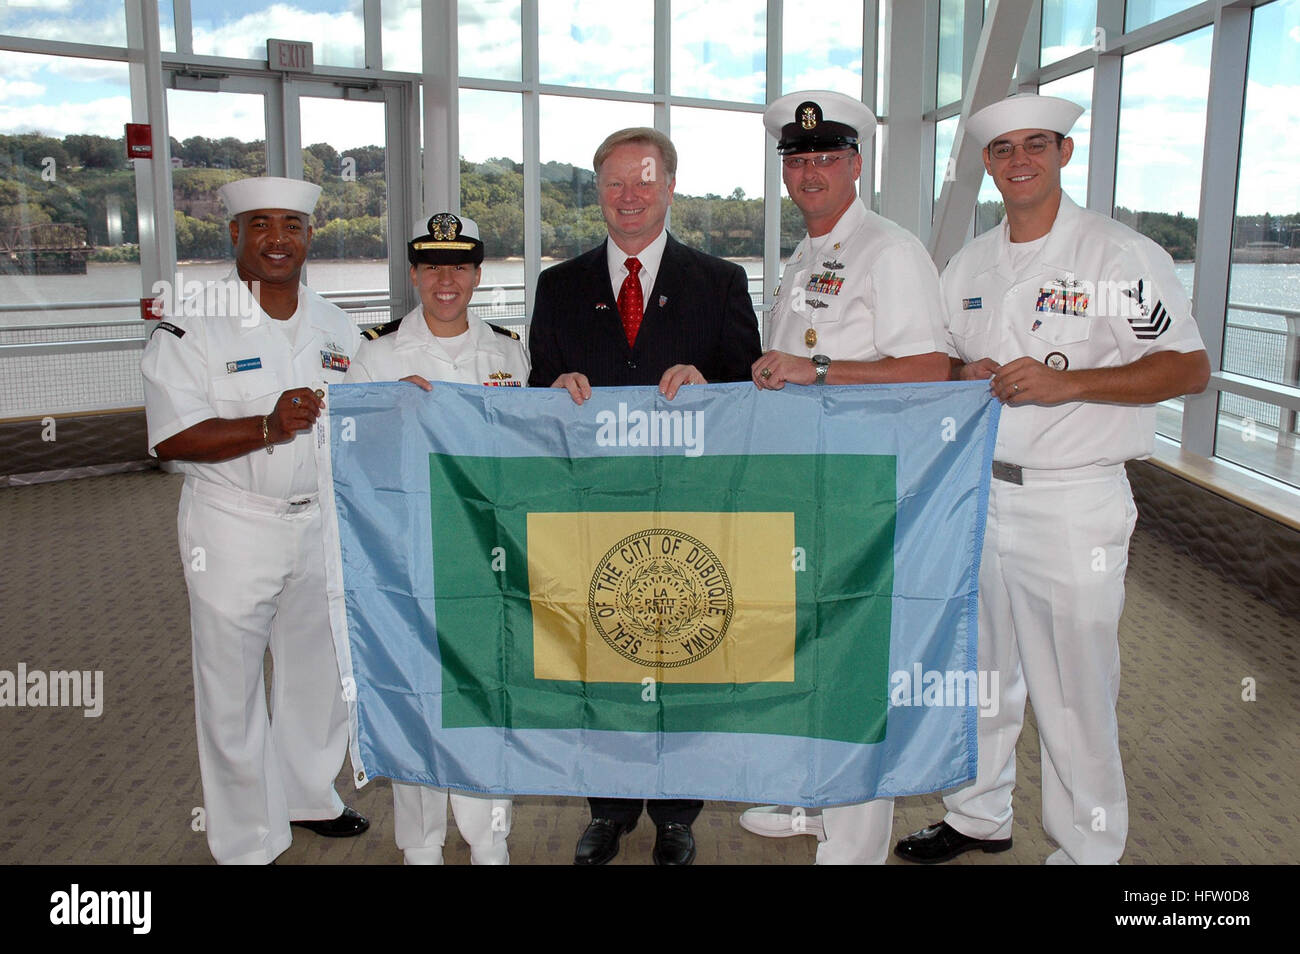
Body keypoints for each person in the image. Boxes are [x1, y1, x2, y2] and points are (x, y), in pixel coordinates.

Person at [893, 94, 1209, 865]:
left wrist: (1075, 384)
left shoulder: (1116, 256)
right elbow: (946, 364)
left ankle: (1087, 851)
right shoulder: (967, 265)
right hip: (979, 496)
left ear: (1065, 153)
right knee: (982, 671)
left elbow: (1189, 368)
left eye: (1037, 144)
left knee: (1073, 692)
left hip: (1073, 499)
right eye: (1003, 149)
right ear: (987, 164)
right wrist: (967, 370)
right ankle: (978, 815)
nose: (1020, 160)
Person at [527, 126, 761, 865]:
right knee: (601, 654)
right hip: (592, 506)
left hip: (686, 505)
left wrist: (710, 384)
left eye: (645, 180)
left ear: (670, 188)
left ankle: (677, 812)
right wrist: (553, 389)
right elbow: (538, 388)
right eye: (614, 183)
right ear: (597, 191)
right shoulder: (558, 286)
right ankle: (609, 807)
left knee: (685, 651)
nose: (629, 196)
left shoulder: (720, 281)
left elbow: (750, 387)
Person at [739, 90, 950, 864]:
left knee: (859, 662)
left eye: (827, 157)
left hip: (864, 486)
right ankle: (820, 801)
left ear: (856, 164)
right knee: (818, 649)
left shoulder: (889, 251)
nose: (810, 171)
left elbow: (933, 367)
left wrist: (817, 367)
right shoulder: (810, 250)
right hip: (808, 484)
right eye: (797, 160)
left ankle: (854, 843)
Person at [141, 176, 369, 864]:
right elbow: (171, 437)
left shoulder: (337, 324)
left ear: (309, 237)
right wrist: (267, 426)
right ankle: (246, 837)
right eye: (261, 225)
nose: (278, 239)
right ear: (235, 235)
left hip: (321, 520)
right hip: (232, 524)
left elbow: (369, 416)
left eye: (293, 225)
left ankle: (306, 795)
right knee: (231, 683)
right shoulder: (191, 322)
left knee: (317, 669)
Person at [345, 211, 524, 864]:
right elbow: (345, 452)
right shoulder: (376, 352)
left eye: (459, 265)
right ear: (415, 274)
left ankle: (489, 839)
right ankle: (420, 843)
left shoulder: (508, 350)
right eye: (431, 265)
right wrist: (385, 412)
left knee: (484, 695)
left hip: (485, 551)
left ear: (478, 274)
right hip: (406, 548)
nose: (445, 279)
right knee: (415, 694)